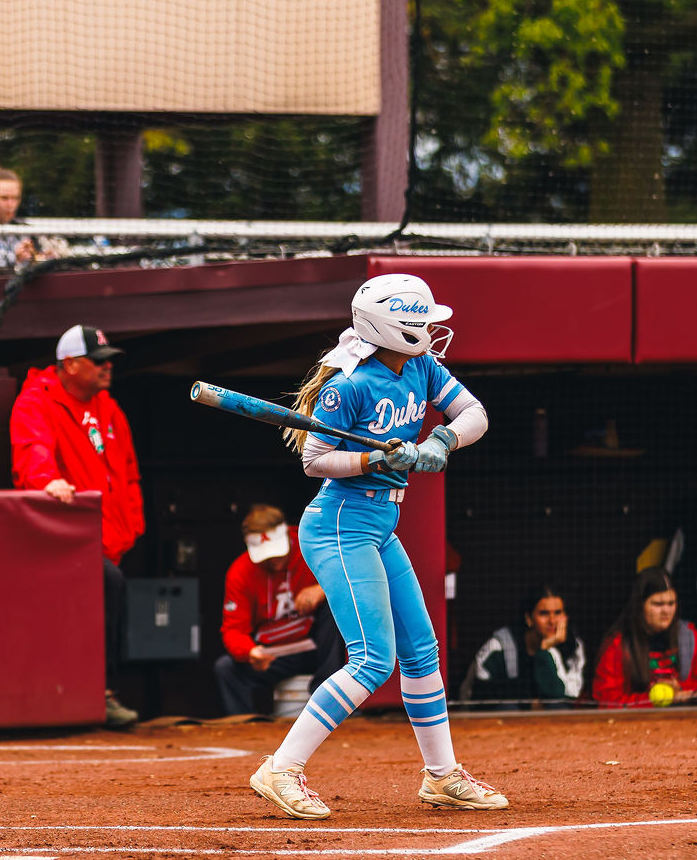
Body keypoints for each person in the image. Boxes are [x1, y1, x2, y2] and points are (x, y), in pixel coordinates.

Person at [248, 273, 508, 819]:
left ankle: (441, 777)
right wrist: (375, 459)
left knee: (421, 651)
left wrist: (441, 438)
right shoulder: (349, 384)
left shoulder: (420, 365)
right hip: (339, 523)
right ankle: (281, 768)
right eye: (420, 323)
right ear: (393, 329)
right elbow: (314, 460)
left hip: (379, 524)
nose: (431, 331)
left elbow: (475, 414)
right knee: (373, 660)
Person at [10, 324, 143, 727]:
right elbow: (33, 451)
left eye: (109, 361)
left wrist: (133, 522)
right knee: (106, 589)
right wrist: (46, 481)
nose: (107, 369)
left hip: (111, 538)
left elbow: (128, 471)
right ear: (69, 364)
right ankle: (97, 695)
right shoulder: (37, 400)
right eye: (98, 361)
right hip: (61, 541)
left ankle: (100, 694)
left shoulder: (108, 407)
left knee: (113, 595)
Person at [214, 505, 345, 717]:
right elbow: (233, 630)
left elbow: (352, 577)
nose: (273, 562)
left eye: (277, 553)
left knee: (335, 605)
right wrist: (250, 652)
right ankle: (243, 728)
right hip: (274, 654)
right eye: (265, 556)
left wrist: (323, 589)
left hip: (318, 646)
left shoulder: (311, 544)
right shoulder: (240, 571)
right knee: (226, 668)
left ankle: (328, 706)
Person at [592, 566, 697, 708]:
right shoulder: (618, 645)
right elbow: (606, 701)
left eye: (671, 603)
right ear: (640, 606)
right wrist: (653, 700)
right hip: (635, 726)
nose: (666, 611)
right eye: (658, 604)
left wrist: (682, 689)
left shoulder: (690, 638)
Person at [458, 586, 586, 706]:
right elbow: (480, 695)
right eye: (544, 613)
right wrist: (530, 701)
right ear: (529, 618)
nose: (552, 621)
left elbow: (565, 697)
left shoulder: (573, 647)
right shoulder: (499, 646)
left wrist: (544, 650)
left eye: (558, 613)